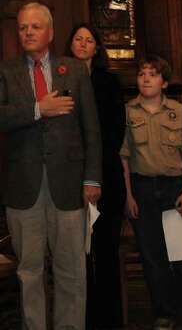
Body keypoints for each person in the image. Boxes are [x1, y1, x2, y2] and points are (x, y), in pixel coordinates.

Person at [0, 2, 101, 330]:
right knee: (29, 272)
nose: (28, 32)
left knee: (71, 271)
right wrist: (38, 108)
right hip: (24, 187)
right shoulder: (5, 72)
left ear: (50, 32)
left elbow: (91, 129)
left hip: (69, 185)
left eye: (35, 27)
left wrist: (93, 178)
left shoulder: (74, 70)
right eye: (23, 28)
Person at [121, 55, 182, 330]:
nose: (146, 79)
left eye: (153, 74)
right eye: (142, 74)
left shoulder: (178, 111)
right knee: (153, 259)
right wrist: (128, 195)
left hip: (174, 188)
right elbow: (123, 157)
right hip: (142, 189)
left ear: (164, 82)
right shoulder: (128, 112)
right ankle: (165, 314)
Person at [68, 23, 126, 330]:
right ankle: (84, 318)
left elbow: (116, 130)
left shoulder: (109, 82)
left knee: (106, 249)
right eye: (78, 39)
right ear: (70, 45)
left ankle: (110, 319)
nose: (83, 43)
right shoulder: (60, 79)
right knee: (76, 253)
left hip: (107, 176)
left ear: (97, 48)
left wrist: (96, 173)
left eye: (89, 40)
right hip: (70, 176)